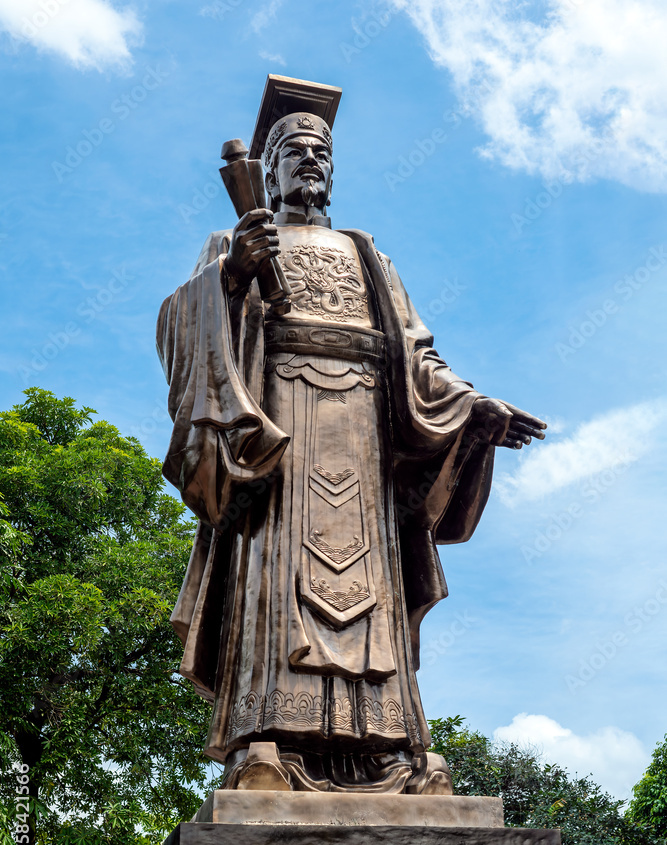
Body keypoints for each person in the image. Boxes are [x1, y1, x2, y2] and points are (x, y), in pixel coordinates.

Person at [156, 109, 545, 794]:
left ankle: (386, 750)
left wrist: (470, 404)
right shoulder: (234, 238)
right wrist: (231, 278)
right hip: (279, 435)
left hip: (363, 437)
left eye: (321, 152)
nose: (310, 160)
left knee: (369, 591)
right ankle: (266, 741)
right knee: (279, 582)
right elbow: (179, 325)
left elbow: (418, 358)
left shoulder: (367, 255)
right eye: (295, 151)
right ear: (269, 169)